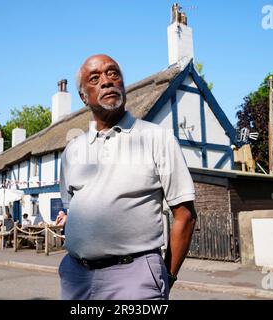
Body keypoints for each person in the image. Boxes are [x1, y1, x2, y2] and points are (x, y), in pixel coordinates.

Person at [58, 54, 196, 300]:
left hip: (135, 279)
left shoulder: (158, 139)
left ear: (122, 84)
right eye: (95, 78)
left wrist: (168, 276)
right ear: (83, 97)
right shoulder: (73, 150)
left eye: (113, 74)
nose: (107, 81)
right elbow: (72, 209)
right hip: (76, 278)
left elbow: (185, 215)